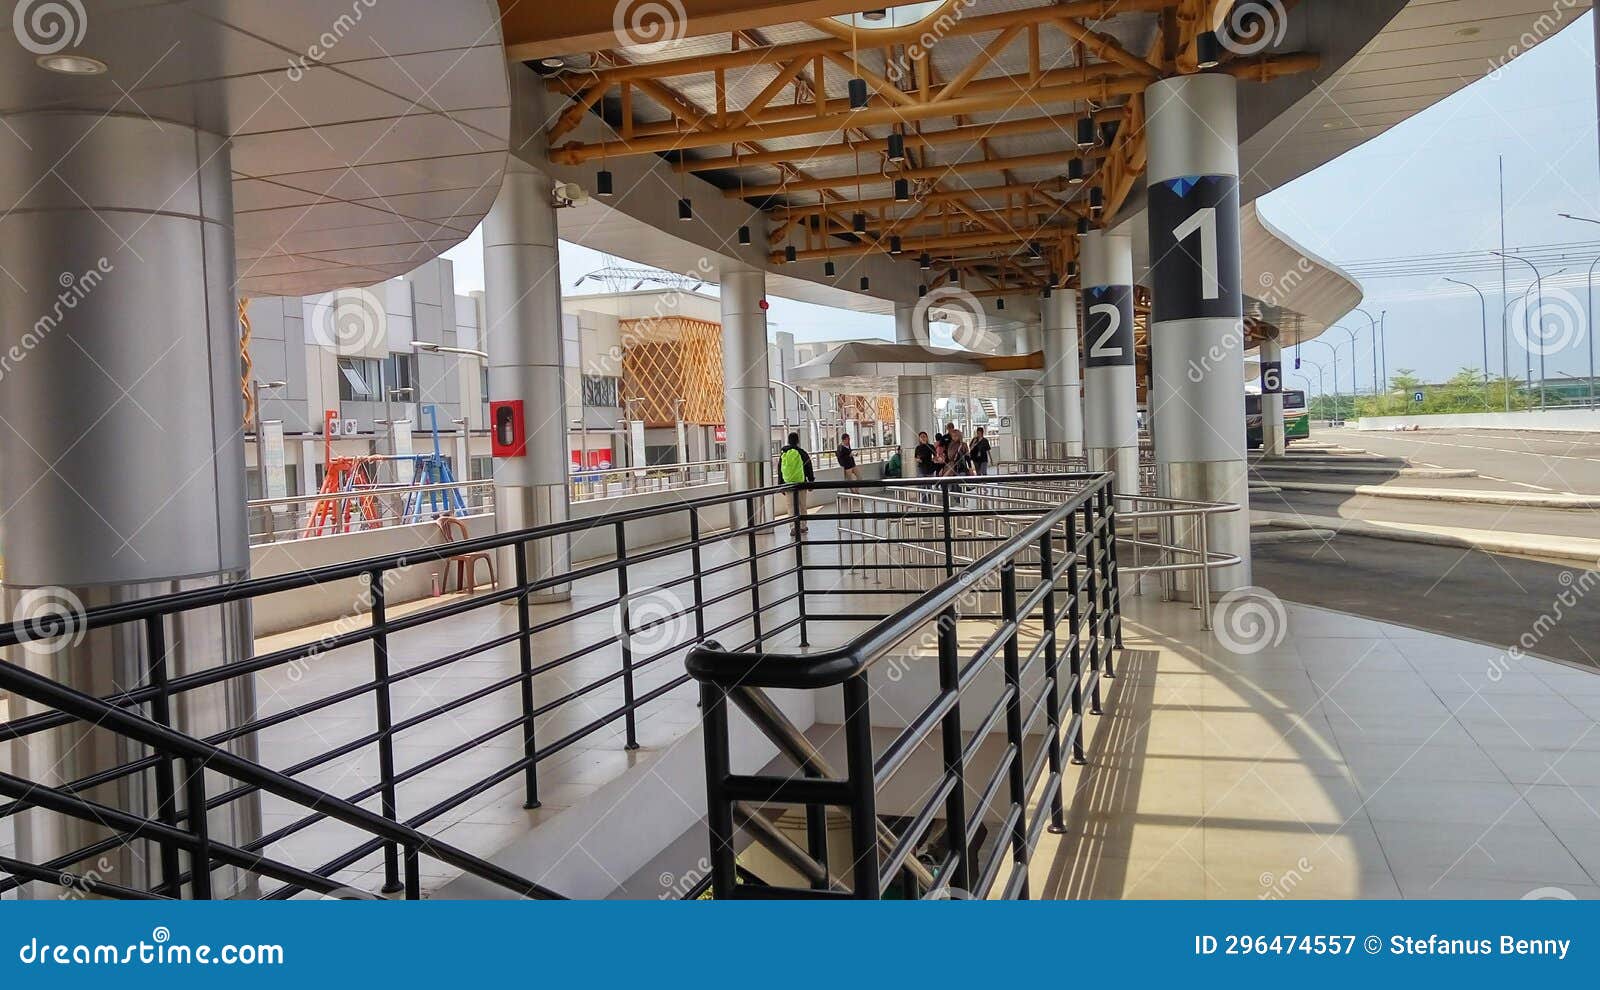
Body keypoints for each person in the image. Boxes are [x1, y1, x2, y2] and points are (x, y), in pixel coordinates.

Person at [778, 431, 815, 534]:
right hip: (801, 483)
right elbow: (808, 467)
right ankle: (803, 526)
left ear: (788, 441)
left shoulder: (784, 453)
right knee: (802, 505)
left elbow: (780, 469)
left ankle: (793, 527)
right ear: (798, 441)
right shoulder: (802, 453)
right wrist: (811, 481)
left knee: (791, 507)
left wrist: (781, 484)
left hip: (789, 484)